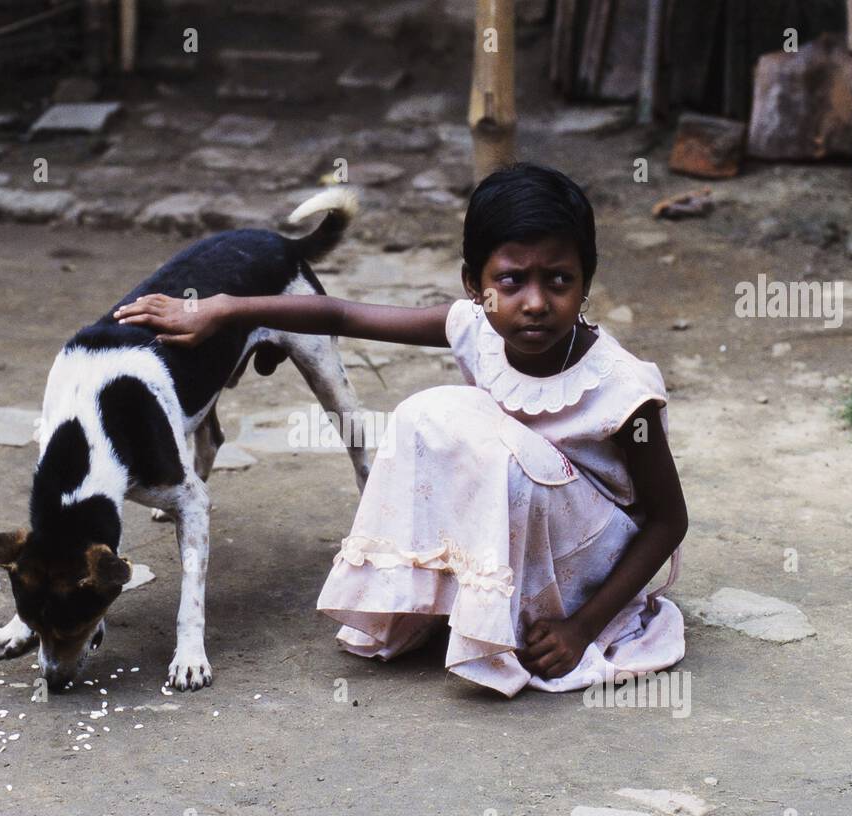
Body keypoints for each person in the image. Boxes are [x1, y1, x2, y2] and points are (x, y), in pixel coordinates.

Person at [114, 162, 687, 696]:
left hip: (587, 565)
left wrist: (583, 628)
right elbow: (342, 314)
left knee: (493, 448)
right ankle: (459, 602)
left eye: (559, 279)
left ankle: (534, 614)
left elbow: (669, 519)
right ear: (474, 283)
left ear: (586, 280)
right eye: (511, 281)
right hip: (525, 519)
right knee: (426, 415)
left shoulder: (619, 385)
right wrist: (225, 309)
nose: (535, 303)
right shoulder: (474, 327)